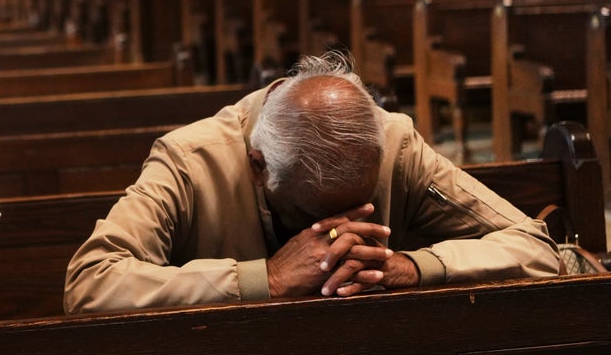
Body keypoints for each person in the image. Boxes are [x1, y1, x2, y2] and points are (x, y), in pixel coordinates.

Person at [63, 51, 560, 313]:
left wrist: (413, 266)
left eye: (361, 209)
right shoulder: (191, 161)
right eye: (312, 217)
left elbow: (536, 247)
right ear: (259, 167)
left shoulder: (394, 142)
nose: (338, 240)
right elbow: (91, 283)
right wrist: (268, 279)